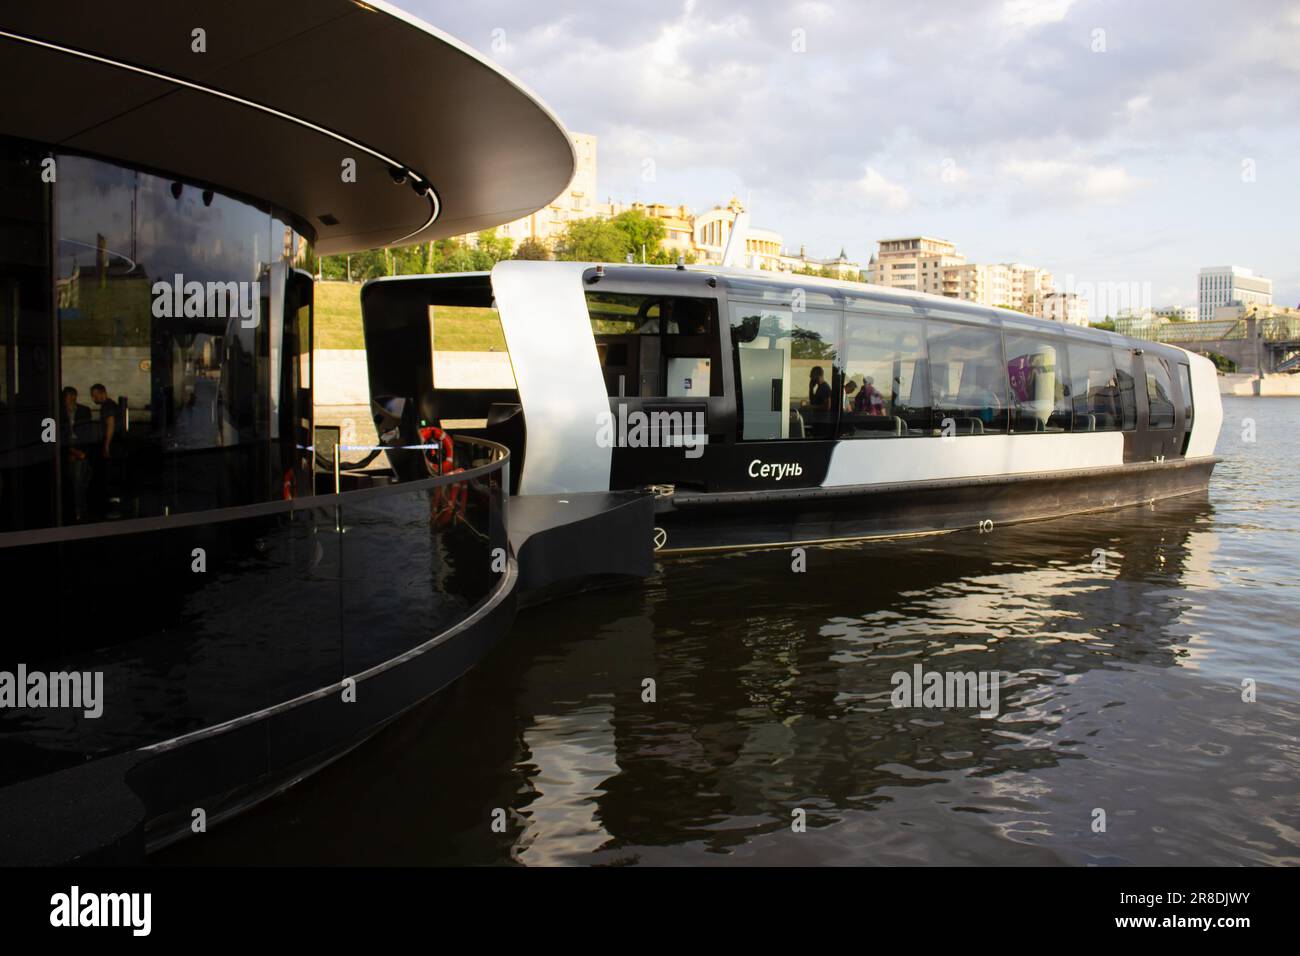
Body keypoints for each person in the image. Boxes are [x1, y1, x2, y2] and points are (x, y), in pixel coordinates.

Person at [59, 386, 92, 522]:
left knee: (78, 481)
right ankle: (75, 508)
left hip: (79, 449)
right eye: (68, 398)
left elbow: (87, 432)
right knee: (70, 481)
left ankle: (79, 509)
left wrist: (80, 451)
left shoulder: (83, 411)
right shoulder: (59, 411)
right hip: (66, 449)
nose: (70, 400)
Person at [89, 384, 121, 518]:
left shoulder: (107, 406)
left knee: (110, 476)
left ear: (101, 393)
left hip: (112, 445)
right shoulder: (110, 405)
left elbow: (110, 424)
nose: (92, 398)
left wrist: (107, 444)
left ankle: (113, 509)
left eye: (93, 395)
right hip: (115, 445)